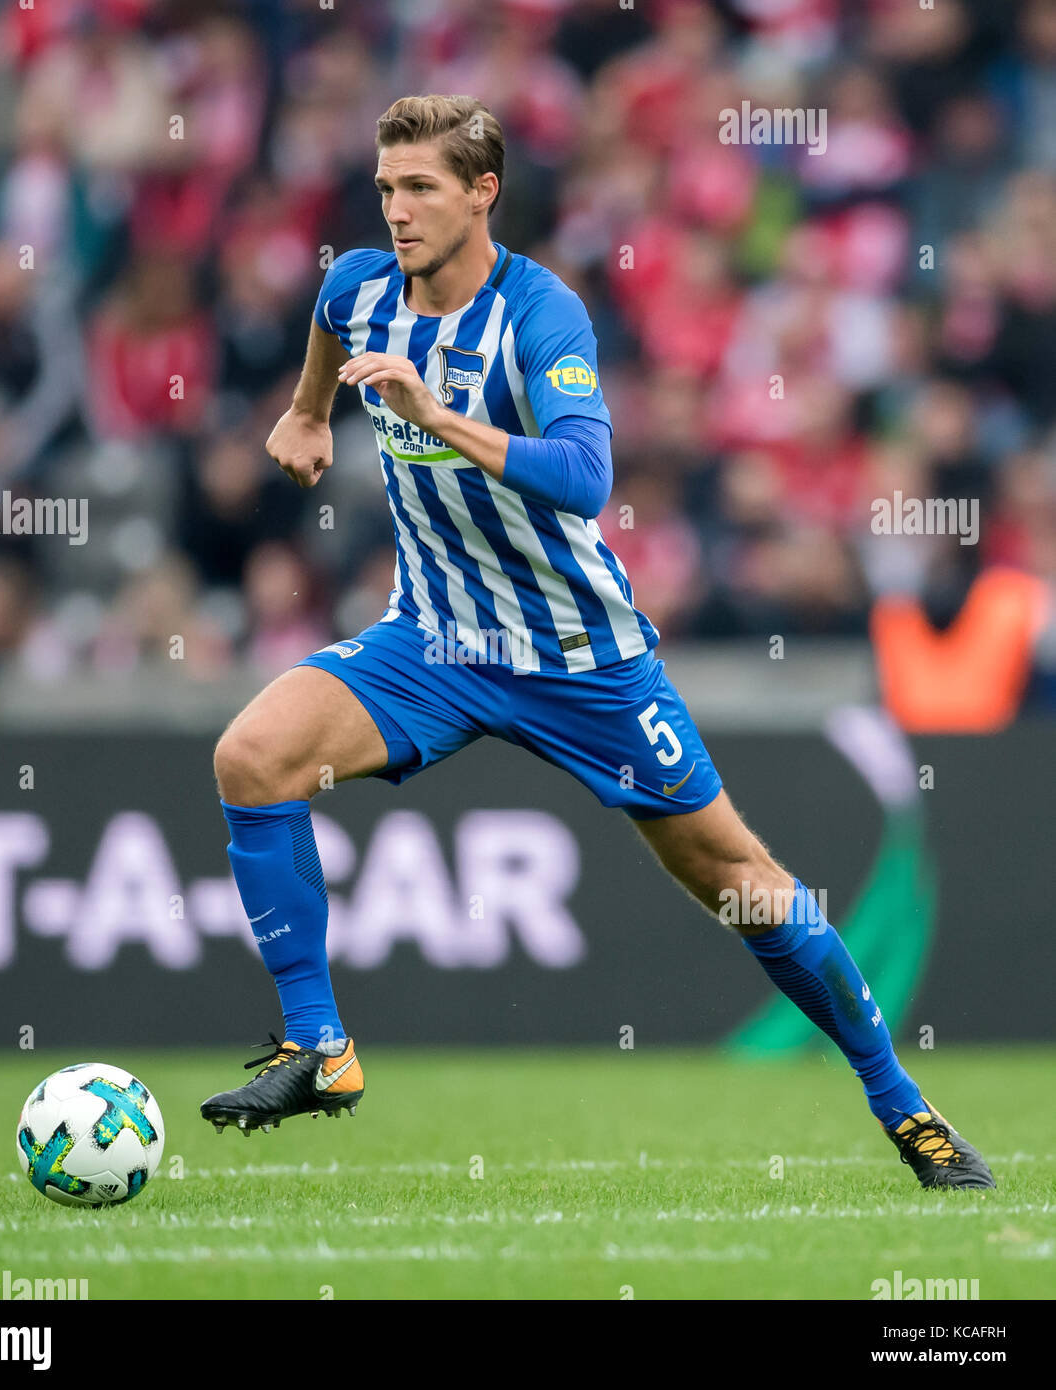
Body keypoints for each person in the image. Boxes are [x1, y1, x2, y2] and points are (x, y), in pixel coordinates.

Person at [200, 96, 992, 1190]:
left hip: (580, 659)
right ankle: (319, 1050)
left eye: (420, 186)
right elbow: (329, 331)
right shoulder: (357, 286)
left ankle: (903, 1106)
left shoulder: (541, 313)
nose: (395, 210)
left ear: (483, 192)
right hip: (432, 641)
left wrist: (441, 420)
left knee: (742, 883)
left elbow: (584, 475)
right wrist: (301, 412)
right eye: (385, 188)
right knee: (250, 756)